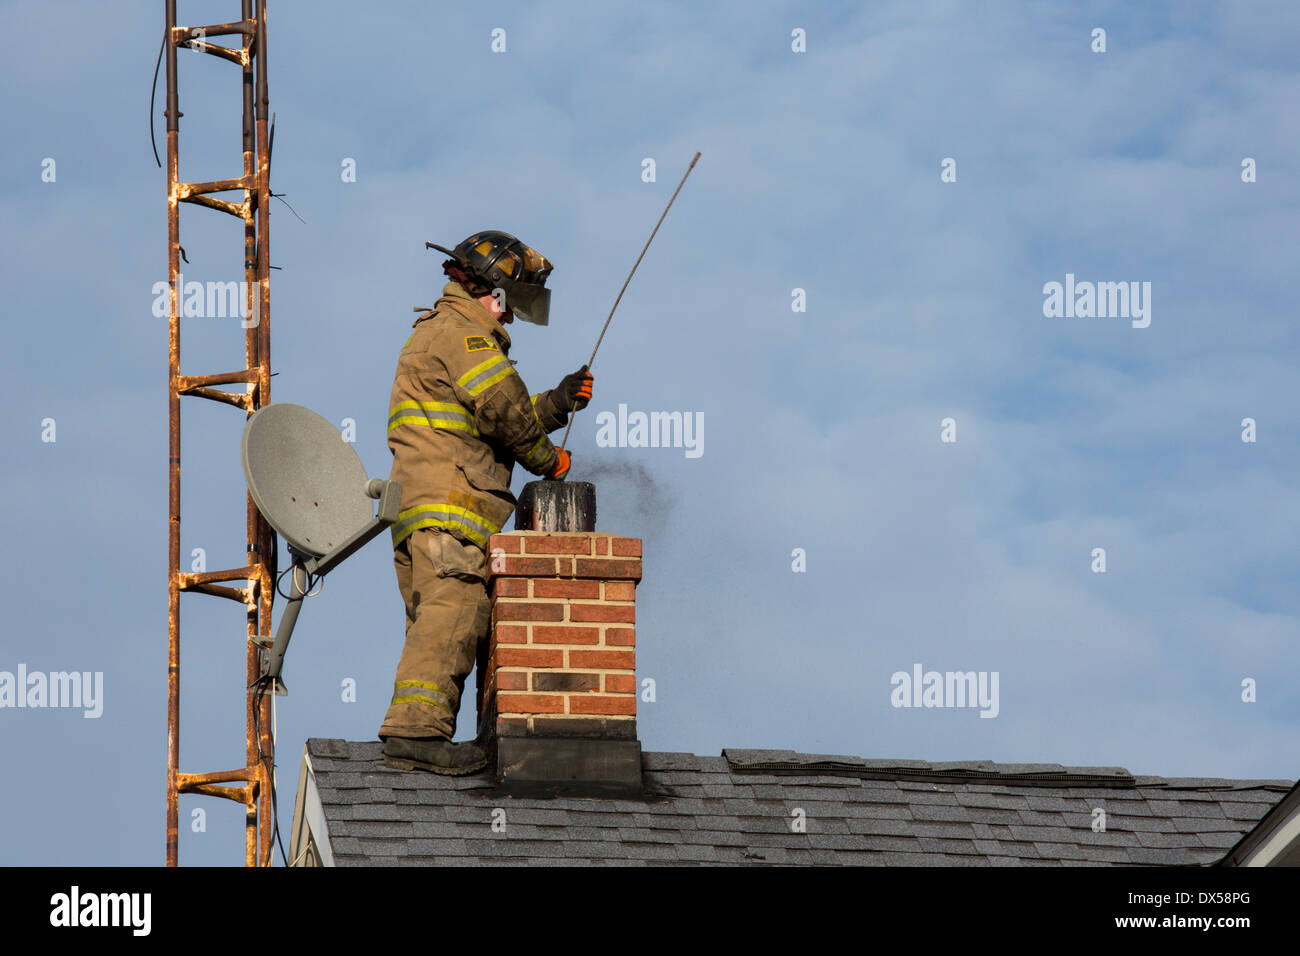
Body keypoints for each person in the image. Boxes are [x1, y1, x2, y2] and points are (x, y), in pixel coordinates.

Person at [379, 230, 593, 774]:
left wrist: (556, 404)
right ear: (494, 290)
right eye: (514, 303)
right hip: (451, 510)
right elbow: (502, 410)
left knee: (445, 622)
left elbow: (494, 419)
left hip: (428, 509)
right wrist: (549, 461)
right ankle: (417, 734)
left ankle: (420, 731)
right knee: (453, 615)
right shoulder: (463, 335)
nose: (513, 318)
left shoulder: (446, 332)